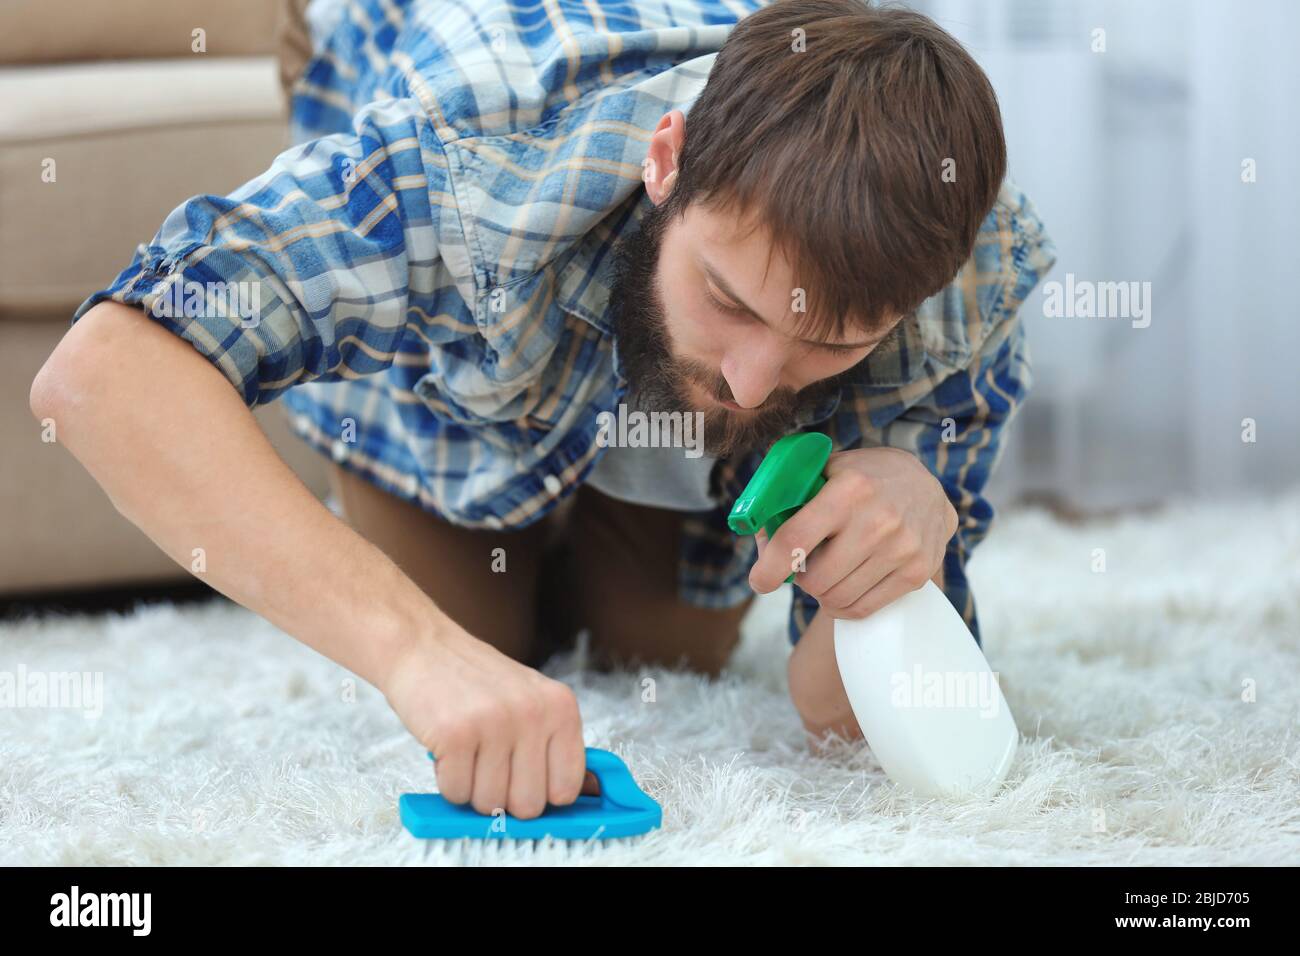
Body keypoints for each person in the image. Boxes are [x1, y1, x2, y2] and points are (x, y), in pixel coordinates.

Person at [29, 0, 1056, 821]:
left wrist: (902, 534)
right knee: (471, 643)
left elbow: (845, 723)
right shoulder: (461, 162)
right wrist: (418, 653)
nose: (753, 386)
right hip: (403, 64)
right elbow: (102, 369)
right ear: (667, 160)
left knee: (653, 659)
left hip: (603, 312)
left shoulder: (959, 269)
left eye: (832, 343)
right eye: (729, 300)